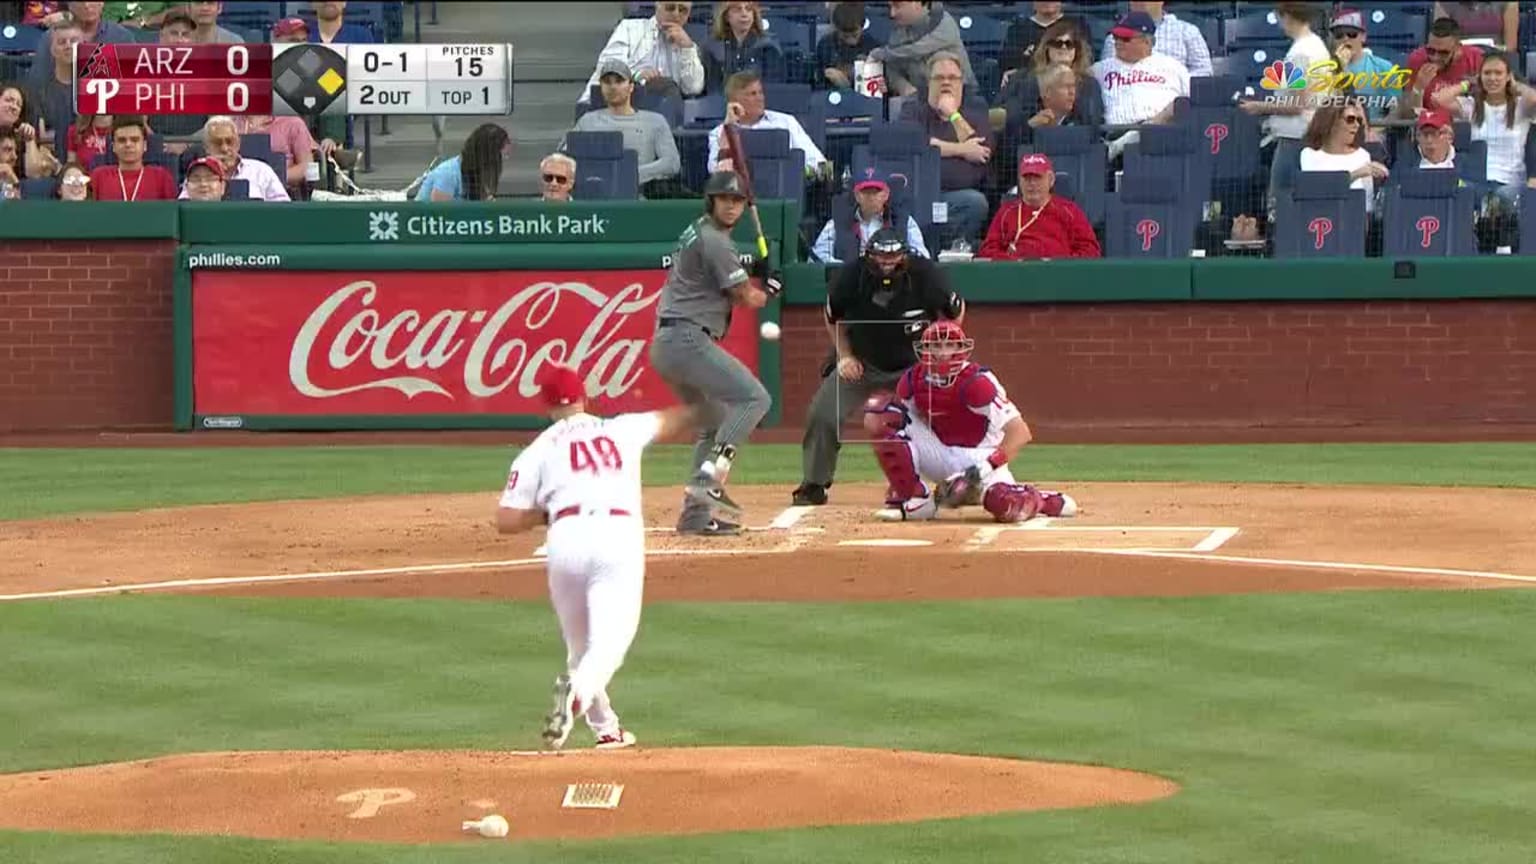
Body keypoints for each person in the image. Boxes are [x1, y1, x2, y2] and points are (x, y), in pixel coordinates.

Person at [495, 365, 699, 751]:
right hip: (615, 536)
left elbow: (505, 520)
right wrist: (708, 399)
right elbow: (673, 420)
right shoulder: (621, 429)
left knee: (580, 649)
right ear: (584, 397)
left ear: (546, 406)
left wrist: (546, 513)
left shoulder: (537, 450)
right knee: (609, 643)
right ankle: (575, 696)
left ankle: (607, 729)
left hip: (565, 538)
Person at [792, 227, 963, 507]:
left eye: (893, 256)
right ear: (869, 255)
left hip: (914, 365)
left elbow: (955, 313)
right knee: (823, 413)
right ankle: (814, 483)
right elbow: (833, 318)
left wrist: (941, 352)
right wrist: (845, 356)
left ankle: (955, 480)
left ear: (904, 256)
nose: (887, 263)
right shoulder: (850, 277)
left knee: (942, 416)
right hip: (864, 363)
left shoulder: (926, 275)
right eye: (881, 257)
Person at [648, 170, 778, 536]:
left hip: (669, 343)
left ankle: (695, 516)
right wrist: (771, 288)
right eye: (725, 200)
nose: (732, 207)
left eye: (737, 201)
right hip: (686, 339)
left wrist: (752, 270)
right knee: (755, 398)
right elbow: (745, 297)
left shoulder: (701, 231)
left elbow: (722, 274)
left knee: (713, 419)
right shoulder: (716, 242)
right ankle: (709, 481)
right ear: (712, 201)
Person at [863, 320, 1078, 522]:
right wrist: (900, 478)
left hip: (981, 457)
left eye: (949, 345)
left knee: (1004, 503)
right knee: (880, 413)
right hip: (940, 450)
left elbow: (1020, 433)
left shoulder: (977, 383)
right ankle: (914, 498)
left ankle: (1043, 500)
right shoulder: (913, 379)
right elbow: (903, 424)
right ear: (925, 349)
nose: (942, 353)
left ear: (961, 348)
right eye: (936, 345)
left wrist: (984, 468)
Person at [896, 51, 993, 251]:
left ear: (961, 83)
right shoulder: (912, 110)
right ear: (929, 83)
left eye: (952, 78)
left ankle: (952, 250)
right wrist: (962, 150)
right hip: (919, 197)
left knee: (976, 202)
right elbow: (912, 144)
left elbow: (982, 152)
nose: (946, 82)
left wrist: (953, 115)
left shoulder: (976, 111)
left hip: (957, 201)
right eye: (939, 78)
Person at [1239, 2, 1330, 208]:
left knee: (1280, 204)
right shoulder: (1318, 46)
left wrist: (1259, 107)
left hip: (1295, 138)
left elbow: (1297, 104)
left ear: (1287, 16)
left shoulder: (1299, 54)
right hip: (1310, 133)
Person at [1432, 50, 1536, 210]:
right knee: (1452, 192)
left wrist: (1515, 85)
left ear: (1508, 76)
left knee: (1500, 198)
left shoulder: (1520, 106)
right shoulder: (1472, 106)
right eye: (1487, 73)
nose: (1492, 78)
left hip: (1510, 182)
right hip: (1477, 181)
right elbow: (1439, 99)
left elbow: (1534, 98)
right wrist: (1467, 84)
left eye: (1498, 73)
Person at [571, 58, 683, 198]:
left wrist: (629, 175)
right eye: (607, 82)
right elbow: (563, 157)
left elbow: (671, 162)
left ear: (631, 87)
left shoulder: (655, 121)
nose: (613, 87)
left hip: (638, 196)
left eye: (619, 81)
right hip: (593, 197)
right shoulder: (587, 121)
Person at [977, 153, 1100, 260]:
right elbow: (987, 250)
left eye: (1037, 178)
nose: (1032, 184)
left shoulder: (1070, 211)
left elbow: (1090, 250)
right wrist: (1012, 262)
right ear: (1020, 181)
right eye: (1027, 178)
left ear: (1051, 180)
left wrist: (1061, 264)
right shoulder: (1006, 212)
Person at [579, 0, 705, 104]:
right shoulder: (629, 28)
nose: (676, 14)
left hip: (658, 113)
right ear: (658, 5)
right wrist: (635, 76)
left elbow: (693, 88)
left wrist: (687, 48)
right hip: (608, 106)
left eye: (683, 10)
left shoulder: (688, 47)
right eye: (670, 7)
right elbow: (607, 70)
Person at [810, 170, 929, 263]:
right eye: (865, 192)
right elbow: (817, 257)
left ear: (886, 195)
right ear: (856, 196)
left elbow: (922, 257)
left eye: (876, 191)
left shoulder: (904, 221)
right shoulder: (838, 221)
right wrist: (843, 268)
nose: (871, 197)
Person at [872, 0, 975, 97]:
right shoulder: (900, 32)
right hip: (918, 102)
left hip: (962, 98)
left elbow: (916, 49)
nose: (892, 14)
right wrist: (903, 87)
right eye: (890, 7)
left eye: (897, 6)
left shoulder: (944, 23)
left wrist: (882, 54)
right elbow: (891, 66)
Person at [1327, 9, 1407, 121]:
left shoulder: (1383, 68)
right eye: (1339, 35)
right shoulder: (1325, 69)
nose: (1345, 39)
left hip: (1373, 128)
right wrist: (1340, 68)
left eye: (1352, 34)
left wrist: (1379, 128)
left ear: (1363, 37)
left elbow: (1396, 110)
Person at [1098, 1, 1212, 78]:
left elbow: (1204, 72)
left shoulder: (1187, 31)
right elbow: (1107, 75)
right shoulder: (1114, 38)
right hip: (1130, 95)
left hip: (1176, 99)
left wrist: (1172, 84)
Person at [415, 123, 510, 201]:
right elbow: (440, 213)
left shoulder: (480, 174)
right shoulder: (448, 173)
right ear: (487, 155)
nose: (502, 161)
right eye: (501, 156)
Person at [703, 1, 784, 93]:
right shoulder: (713, 48)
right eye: (737, 10)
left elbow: (773, 88)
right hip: (724, 100)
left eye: (748, 9)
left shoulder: (768, 46)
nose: (744, 14)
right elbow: (713, 88)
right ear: (726, 16)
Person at [816, 1, 877, 90]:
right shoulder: (826, 45)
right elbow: (817, 80)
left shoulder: (872, 46)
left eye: (854, 35)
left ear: (862, 26)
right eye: (845, 36)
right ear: (837, 29)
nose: (851, 41)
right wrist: (825, 74)